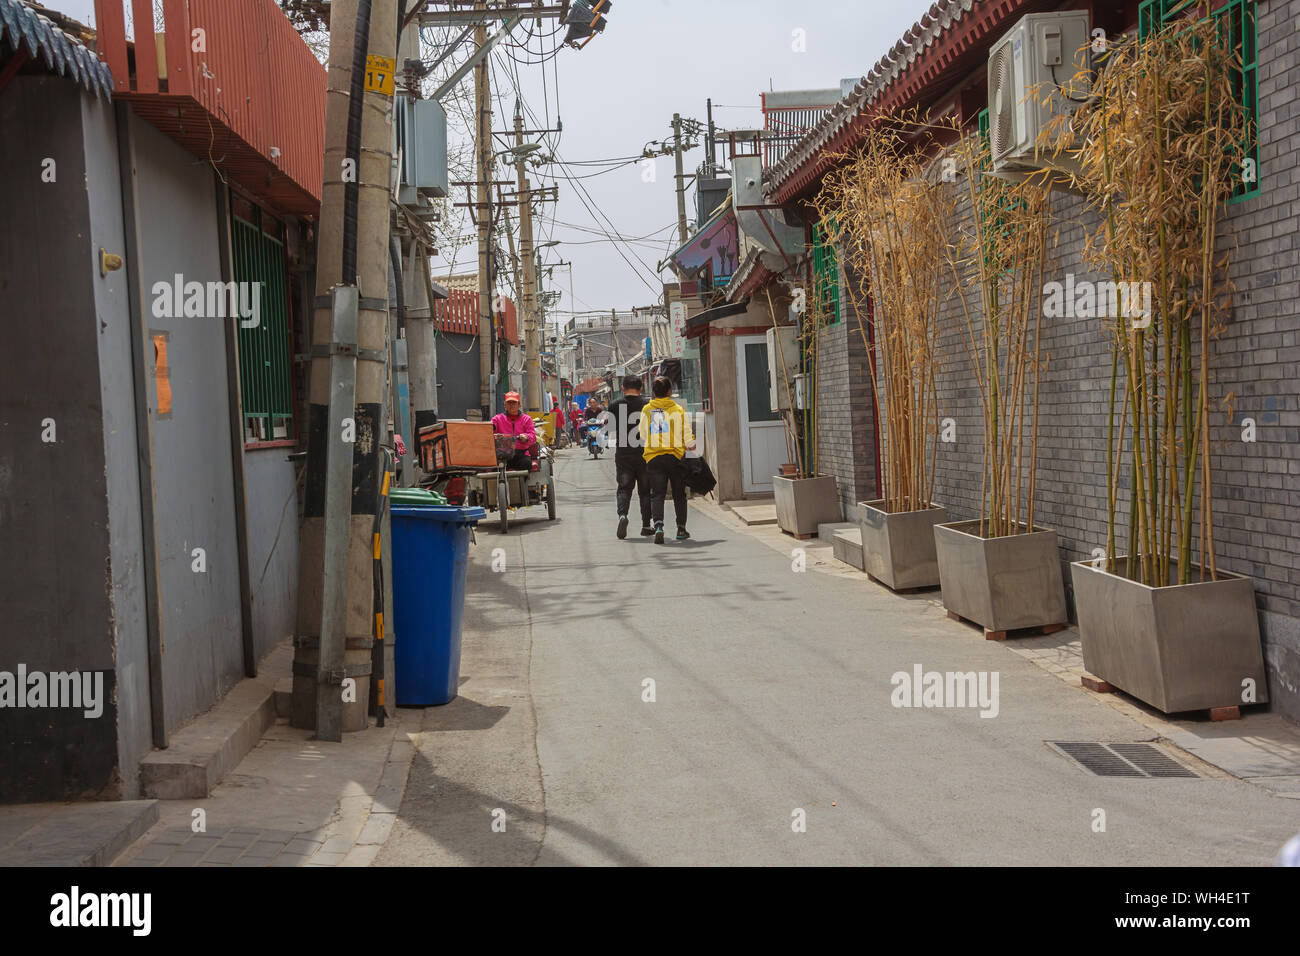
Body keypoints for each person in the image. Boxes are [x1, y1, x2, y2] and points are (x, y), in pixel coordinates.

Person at [639, 376, 695, 544]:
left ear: (654, 392)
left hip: (654, 456)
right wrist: (690, 444)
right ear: (670, 391)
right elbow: (686, 432)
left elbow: (642, 434)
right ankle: (681, 529)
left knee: (657, 493)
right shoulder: (677, 409)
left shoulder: (647, 410)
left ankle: (658, 526)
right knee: (679, 494)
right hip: (675, 456)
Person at [604, 375, 652, 539]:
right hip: (645, 453)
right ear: (641, 389)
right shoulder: (648, 405)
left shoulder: (614, 405)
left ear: (623, 388)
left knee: (624, 488)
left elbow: (610, 430)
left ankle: (623, 515)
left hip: (624, 454)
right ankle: (646, 525)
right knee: (645, 491)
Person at [491, 391, 537, 470]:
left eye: (514, 403)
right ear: (505, 405)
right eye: (509, 403)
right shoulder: (497, 419)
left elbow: (533, 436)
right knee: (493, 468)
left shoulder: (526, 419)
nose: (511, 405)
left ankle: (522, 482)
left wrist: (526, 437)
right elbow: (490, 429)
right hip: (502, 455)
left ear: (519, 405)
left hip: (521, 454)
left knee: (526, 463)